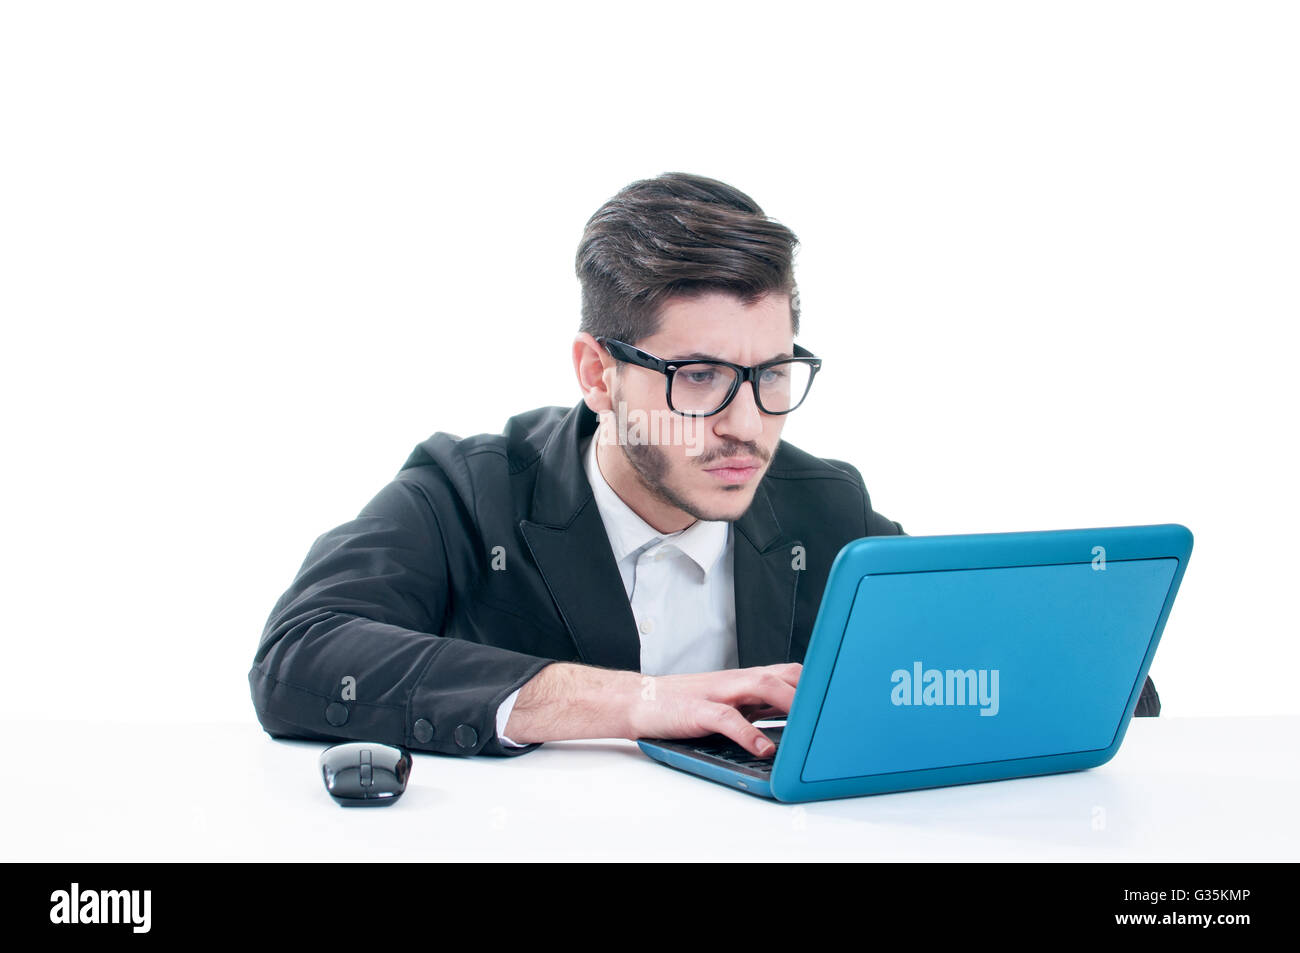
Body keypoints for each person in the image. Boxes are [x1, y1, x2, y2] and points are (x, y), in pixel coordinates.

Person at [247, 172, 1159, 762]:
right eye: (701, 378)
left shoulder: (821, 505)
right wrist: (636, 701)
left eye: (771, 375)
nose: (747, 425)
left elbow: (1004, 661)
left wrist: (1062, 663)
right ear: (598, 373)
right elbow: (299, 655)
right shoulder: (466, 492)